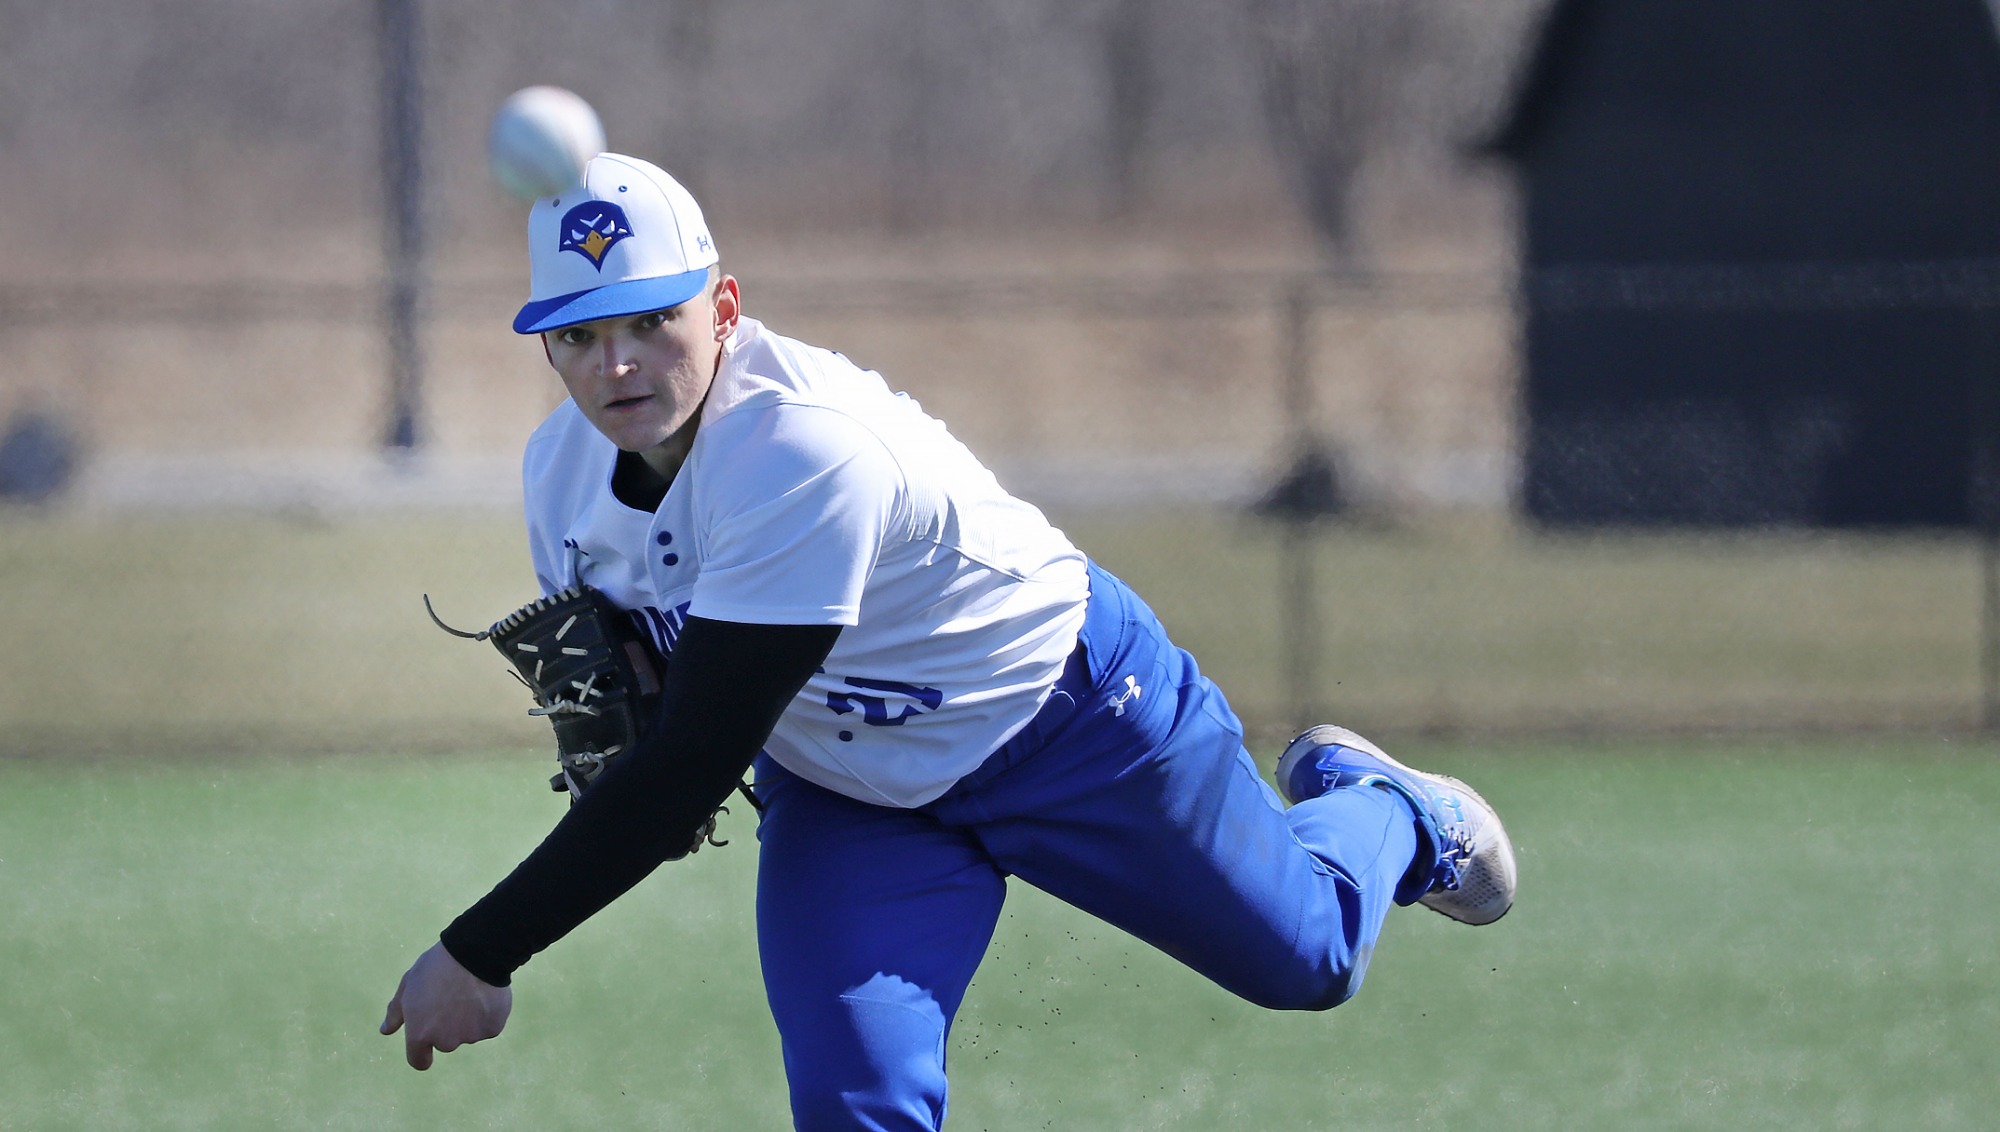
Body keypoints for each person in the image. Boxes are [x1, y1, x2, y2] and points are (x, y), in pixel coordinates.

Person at [379, 152, 1517, 1130]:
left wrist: (482, 950)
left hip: (1068, 722)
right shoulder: (558, 479)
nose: (616, 364)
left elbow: (684, 767)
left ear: (722, 311)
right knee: (854, 1104)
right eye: (578, 335)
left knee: (1306, 955)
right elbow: (640, 718)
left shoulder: (798, 453)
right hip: (854, 797)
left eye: (650, 321)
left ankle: (1390, 808)